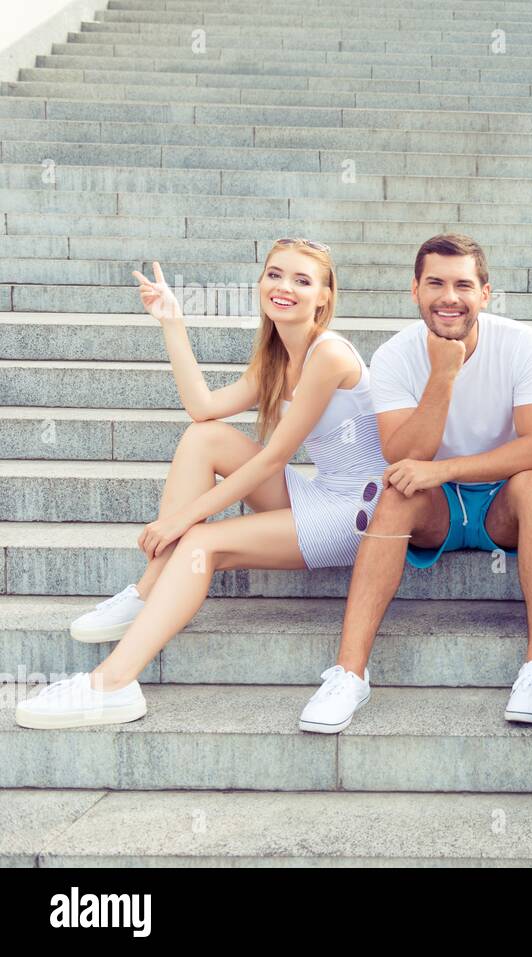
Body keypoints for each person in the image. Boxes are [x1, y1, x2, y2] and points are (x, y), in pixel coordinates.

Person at [18, 240, 388, 729]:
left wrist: (180, 519)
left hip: (357, 513)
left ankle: (112, 685)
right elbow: (203, 408)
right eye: (275, 275)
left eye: (302, 280)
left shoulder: (330, 355)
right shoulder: (278, 357)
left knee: (200, 542)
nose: (284, 288)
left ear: (324, 296)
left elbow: (274, 458)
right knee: (204, 438)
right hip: (322, 493)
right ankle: (148, 592)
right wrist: (172, 321)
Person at [298, 233, 532, 734]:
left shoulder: (523, 344)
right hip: (433, 508)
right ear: (415, 290)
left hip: (499, 501)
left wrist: (443, 469)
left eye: (463, 284)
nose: (449, 297)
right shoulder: (396, 355)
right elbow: (402, 454)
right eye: (435, 283)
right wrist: (443, 375)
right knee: (396, 495)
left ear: (485, 294)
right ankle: (349, 674)